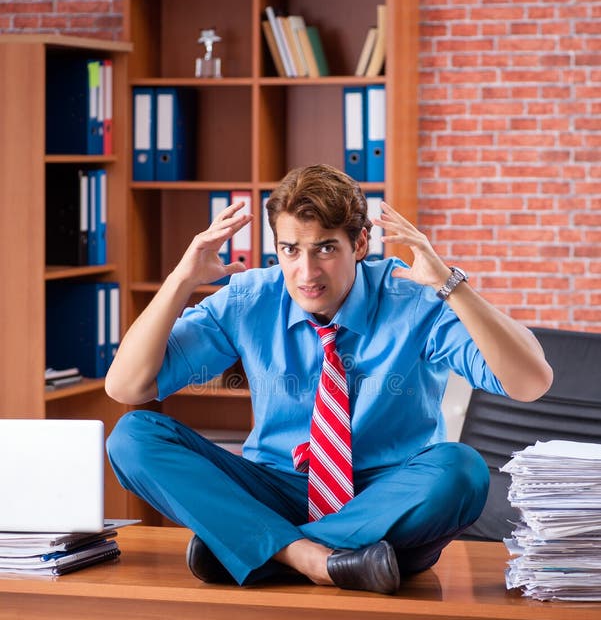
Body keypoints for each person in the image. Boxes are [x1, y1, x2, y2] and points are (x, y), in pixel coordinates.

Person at [105, 164, 553, 595]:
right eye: (290, 250)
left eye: (325, 248)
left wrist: (451, 285)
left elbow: (530, 382)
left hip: (387, 503)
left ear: (359, 244)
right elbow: (128, 388)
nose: (306, 272)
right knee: (133, 436)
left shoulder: (413, 299)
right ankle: (314, 561)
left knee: (463, 470)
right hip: (278, 489)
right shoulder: (252, 297)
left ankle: (259, 546)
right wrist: (182, 278)